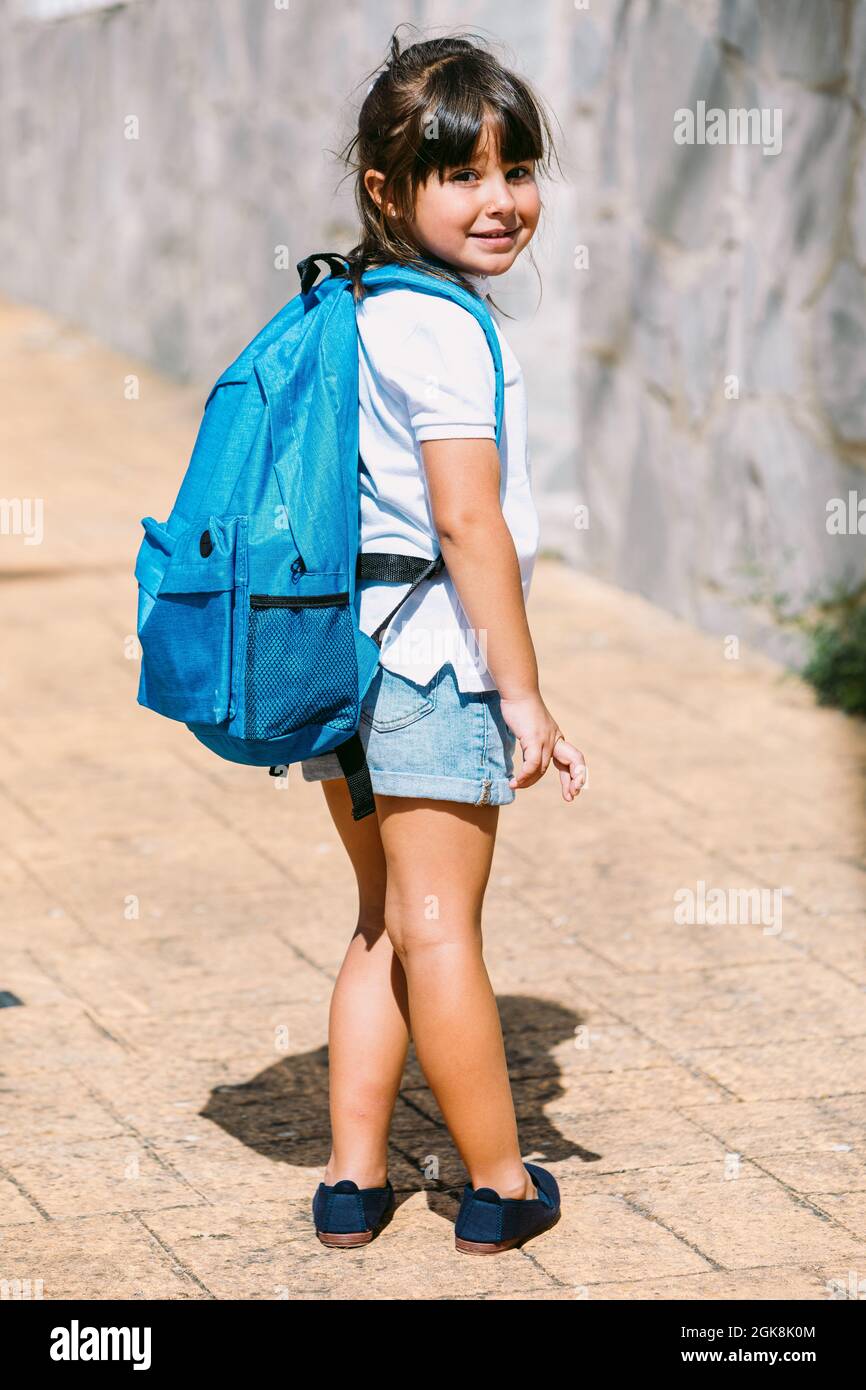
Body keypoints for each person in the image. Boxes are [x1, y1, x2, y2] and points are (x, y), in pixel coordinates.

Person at [304, 27, 588, 1255]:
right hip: (429, 664)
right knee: (437, 926)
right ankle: (498, 1183)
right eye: (460, 174)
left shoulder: (352, 303)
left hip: (343, 654)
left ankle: (352, 1178)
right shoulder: (444, 331)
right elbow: (466, 518)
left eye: (514, 169)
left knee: (381, 914)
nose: (498, 200)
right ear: (386, 190)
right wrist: (519, 691)